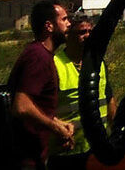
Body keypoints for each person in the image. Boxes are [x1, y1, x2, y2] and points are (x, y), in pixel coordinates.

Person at [8, 0, 75, 170]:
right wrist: (55, 128)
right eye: (64, 19)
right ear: (49, 26)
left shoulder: (42, 55)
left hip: (34, 157)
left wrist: (58, 124)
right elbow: (21, 106)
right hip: (26, 161)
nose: (69, 24)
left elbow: (36, 107)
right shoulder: (38, 57)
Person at [47, 14, 117, 170]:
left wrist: (117, 134)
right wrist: (57, 128)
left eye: (89, 31)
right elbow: (41, 108)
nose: (87, 36)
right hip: (67, 154)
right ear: (68, 35)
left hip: (97, 149)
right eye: (81, 32)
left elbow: (109, 98)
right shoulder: (55, 65)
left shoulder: (98, 62)